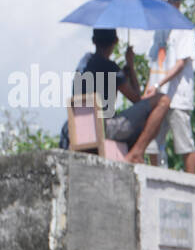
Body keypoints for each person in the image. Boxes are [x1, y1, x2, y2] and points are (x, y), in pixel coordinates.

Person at [63, 27, 171, 164]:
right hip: (105, 128)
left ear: (93, 41)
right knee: (162, 101)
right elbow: (137, 98)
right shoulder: (111, 67)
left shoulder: (84, 64)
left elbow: (104, 97)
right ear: (116, 41)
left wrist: (119, 79)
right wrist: (131, 66)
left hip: (82, 129)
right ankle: (136, 153)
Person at [147, 0, 195, 173]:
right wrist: (149, 89)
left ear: (176, 5)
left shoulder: (185, 28)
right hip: (159, 96)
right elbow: (154, 63)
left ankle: (192, 182)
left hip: (178, 96)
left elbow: (180, 64)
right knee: (152, 142)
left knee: (184, 143)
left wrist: (159, 83)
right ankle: (158, 175)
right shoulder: (159, 30)